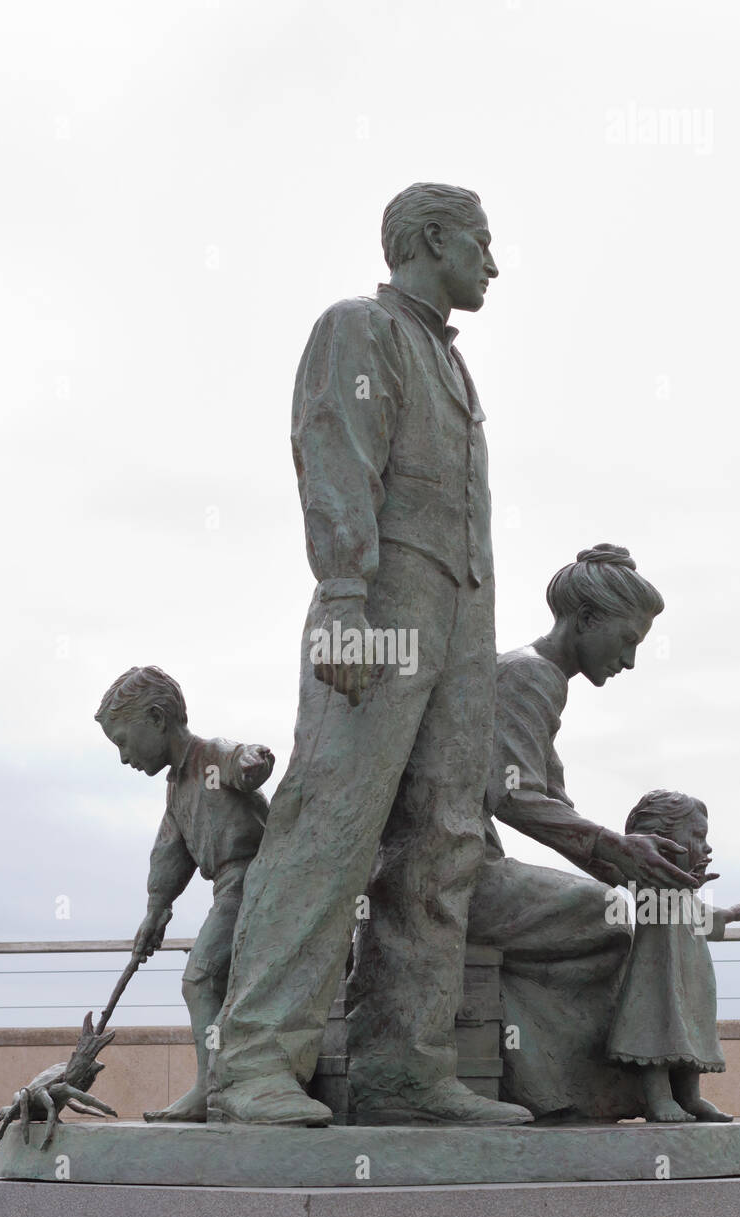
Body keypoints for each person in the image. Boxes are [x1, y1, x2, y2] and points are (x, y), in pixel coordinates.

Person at [207, 183, 532, 1127]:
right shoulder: (360, 329)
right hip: (383, 599)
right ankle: (256, 1063)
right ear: (432, 240)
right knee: (331, 823)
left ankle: (405, 1069)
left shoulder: (453, 365)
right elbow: (336, 452)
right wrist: (345, 595)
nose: (493, 265)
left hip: (463, 609)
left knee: (442, 837)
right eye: (481, 243)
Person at [467, 544, 703, 1120]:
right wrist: (620, 857)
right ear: (586, 620)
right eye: (627, 640)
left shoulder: (535, 675)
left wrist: (641, 872)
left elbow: (555, 806)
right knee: (616, 922)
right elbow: (515, 797)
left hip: (468, 870)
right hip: (462, 874)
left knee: (620, 917)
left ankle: (551, 1091)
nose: (628, 660)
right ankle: (569, 1092)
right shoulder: (531, 673)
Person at [95, 665, 274, 1122]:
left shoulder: (210, 757)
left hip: (255, 882)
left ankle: (213, 1088)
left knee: (199, 979)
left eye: (122, 740)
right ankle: (224, 1084)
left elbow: (242, 759)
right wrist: (156, 911)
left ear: (157, 718)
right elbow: (170, 854)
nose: (123, 758)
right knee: (220, 985)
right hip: (230, 890)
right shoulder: (177, 787)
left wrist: (254, 761)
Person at [607, 789, 740, 1122]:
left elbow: (698, 917)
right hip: (658, 978)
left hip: (690, 978)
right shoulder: (648, 881)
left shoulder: (686, 890)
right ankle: (658, 1099)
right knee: (658, 1031)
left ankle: (690, 1098)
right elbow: (658, 905)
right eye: (698, 837)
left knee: (689, 1032)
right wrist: (685, 887)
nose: (707, 848)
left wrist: (731, 913)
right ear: (661, 841)